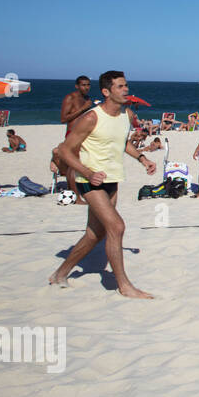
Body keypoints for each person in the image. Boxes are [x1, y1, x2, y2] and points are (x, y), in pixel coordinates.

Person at [49, 71, 156, 298]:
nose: (125, 90)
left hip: (112, 180)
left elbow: (123, 142)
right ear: (106, 92)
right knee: (116, 227)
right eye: (119, 86)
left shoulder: (126, 115)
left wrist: (142, 159)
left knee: (94, 235)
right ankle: (124, 286)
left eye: (126, 85)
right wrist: (87, 172)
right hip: (90, 181)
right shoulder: (91, 118)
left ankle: (60, 274)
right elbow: (64, 150)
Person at [58, 76, 95, 203]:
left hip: (85, 134)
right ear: (77, 86)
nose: (86, 87)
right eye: (84, 85)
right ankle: (76, 196)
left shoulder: (87, 99)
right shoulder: (71, 98)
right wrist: (84, 108)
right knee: (73, 166)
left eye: (88, 85)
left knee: (83, 163)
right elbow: (63, 118)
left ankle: (79, 192)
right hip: (73, 134)